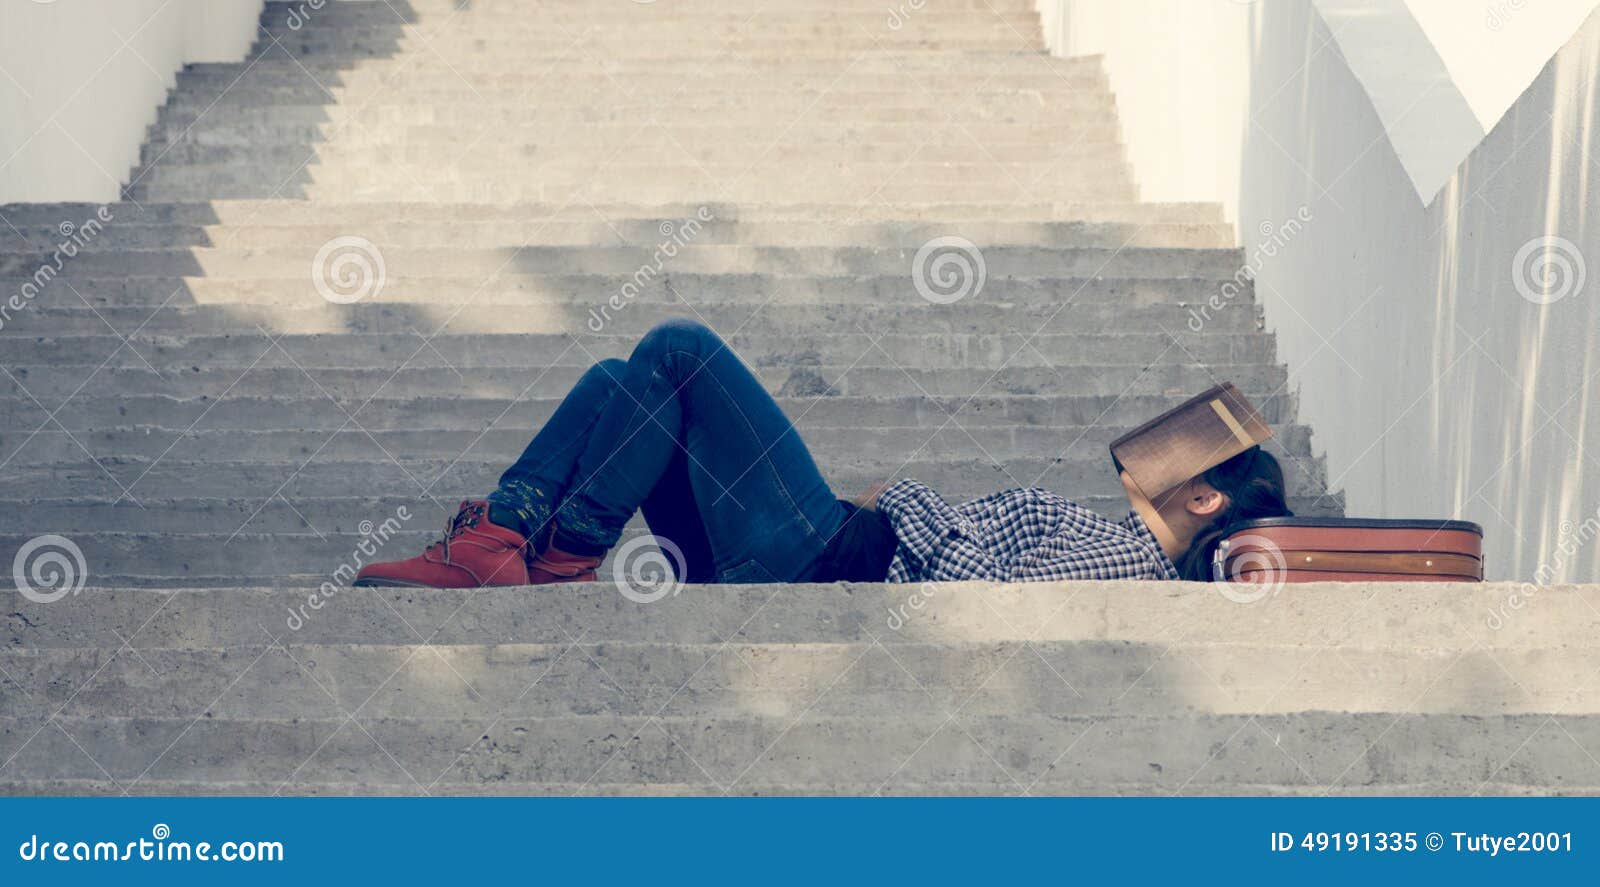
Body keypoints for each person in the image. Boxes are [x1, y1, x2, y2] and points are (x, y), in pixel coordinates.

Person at [354, 318, 1292, 588]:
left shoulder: (1127, 555)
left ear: (1205, 500)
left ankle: (540, 544)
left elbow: (972, 601)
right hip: (800, 552)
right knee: (617, 382)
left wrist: (910, 498)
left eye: (1197, 454)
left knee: (679, 350)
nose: (1168, 445)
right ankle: (531, 542)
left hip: (823, 554)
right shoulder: (1114, 541)